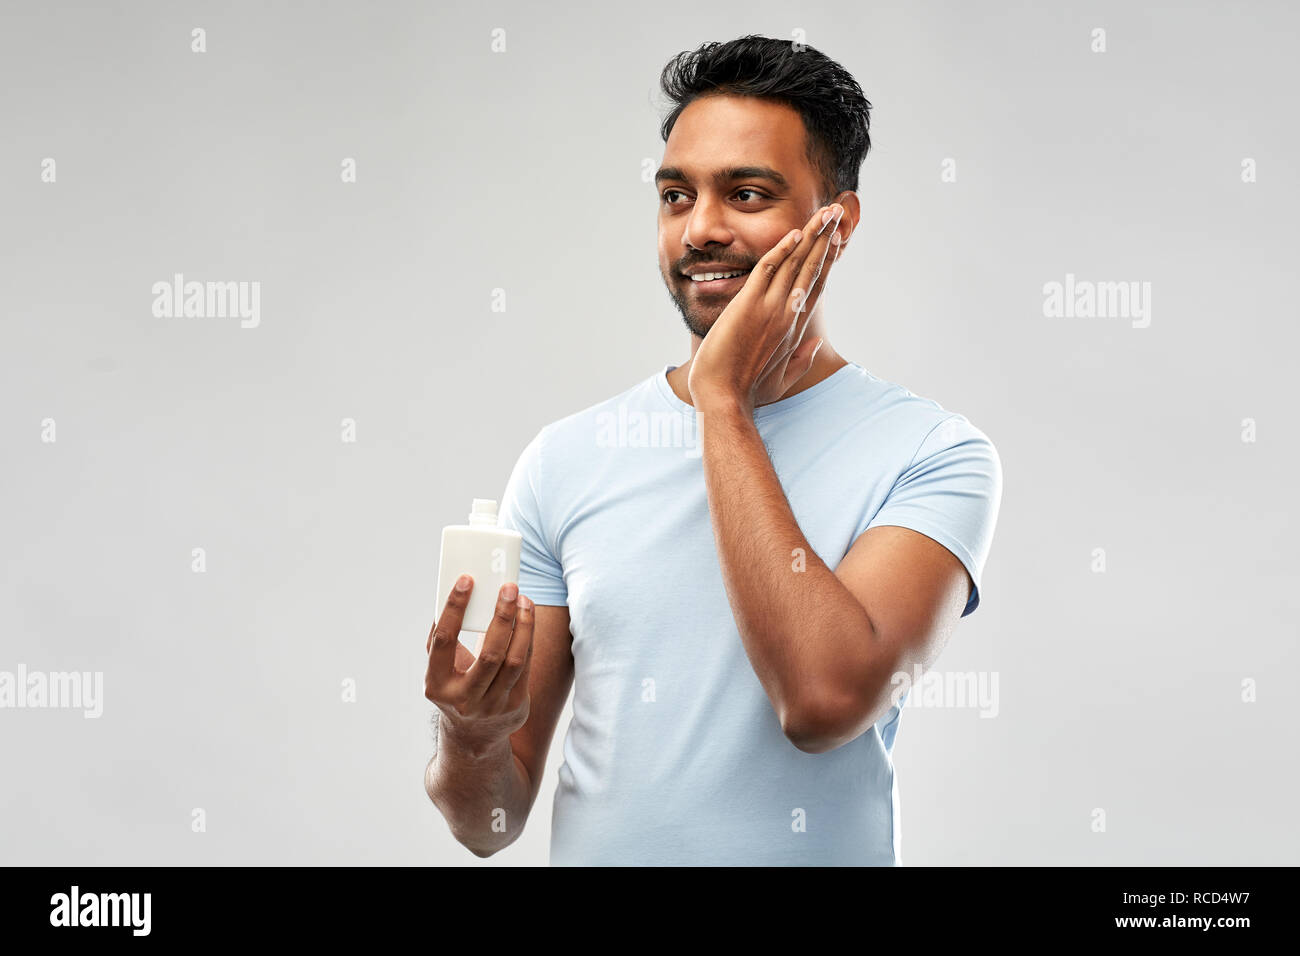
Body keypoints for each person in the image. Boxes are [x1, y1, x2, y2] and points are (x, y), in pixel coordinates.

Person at [424, 34, 1002, 865]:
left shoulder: (933, 454)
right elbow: (491, 825)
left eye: (747, 193)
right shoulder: (565, 461)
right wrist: (470, 736)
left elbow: (822, 702)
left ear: (835, 225)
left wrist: (721, 400)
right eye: (674, 195)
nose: (701, 229)